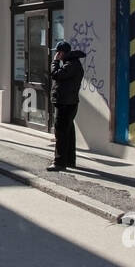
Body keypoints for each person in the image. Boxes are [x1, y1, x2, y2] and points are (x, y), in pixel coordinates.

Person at [47, 41, 85, 171]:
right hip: (68, 102)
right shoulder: (72, 64)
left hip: (65, 103)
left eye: (58, 52)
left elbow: (55, 75)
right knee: (67, 132)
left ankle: (59, 162)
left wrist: (55, 62)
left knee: (61, 133)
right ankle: (69, 160)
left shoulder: (71, 65)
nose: (57, 54)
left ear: (62, 53)